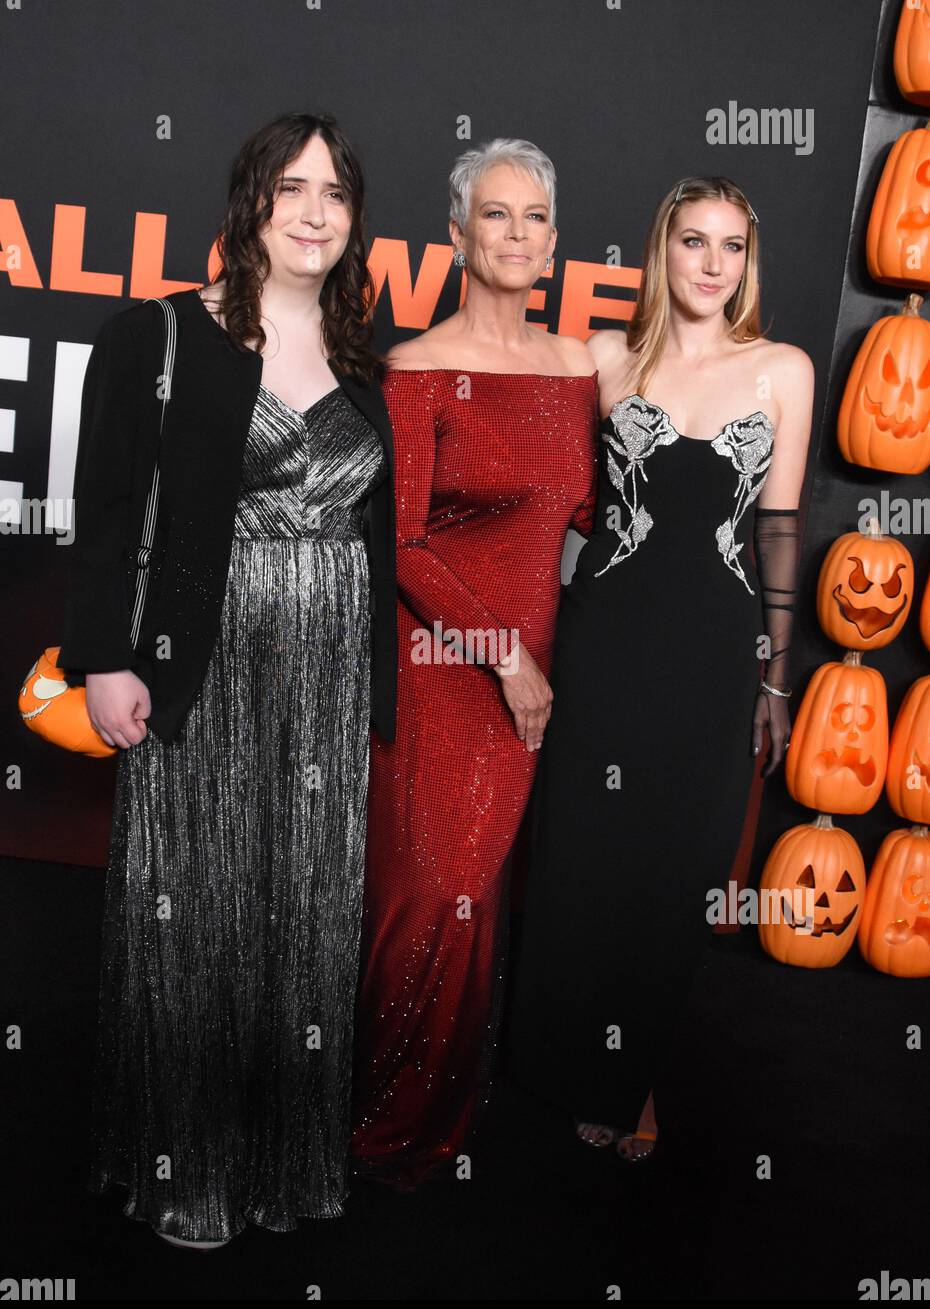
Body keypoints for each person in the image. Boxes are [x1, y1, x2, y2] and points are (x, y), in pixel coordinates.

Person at [57, 112, 397, 1247]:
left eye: (335, 193)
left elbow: (386, 532)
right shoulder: (154, 335)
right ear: (250, 201)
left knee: (304, 913)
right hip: (198, 668)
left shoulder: (366, 353)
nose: (313, 211)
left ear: (356, 218)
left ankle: (282, 1166)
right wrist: (103, 659)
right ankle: (184, 1167)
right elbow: (102, 518)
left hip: (330, 677)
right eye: (291, 187)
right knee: (192, 911)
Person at [506, 175, 811, 1162]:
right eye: (694, 242)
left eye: (731, 247)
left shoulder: (783, 370)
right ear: (662, 250)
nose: (712, 265)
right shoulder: (601, 358)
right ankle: (554, 1065)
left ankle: (627, 1074)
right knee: (582, 859)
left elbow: (780, 528)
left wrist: (774, 675)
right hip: (604, 641)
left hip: (714, 655)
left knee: (672, 872)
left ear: (745, 263)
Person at [350, 138, 598, 1188]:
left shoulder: (580, 366)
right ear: (456, 234)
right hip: (441, 669)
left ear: (554, 240)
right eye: (494, 215)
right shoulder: (413, 366)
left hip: (531, 674)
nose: (516, 235)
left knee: (480, 898)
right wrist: (503, 656)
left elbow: (586, 517)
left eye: (534, 217)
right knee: (426, 892)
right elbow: (400, 544)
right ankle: (374, 1123)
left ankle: (444, 1118)